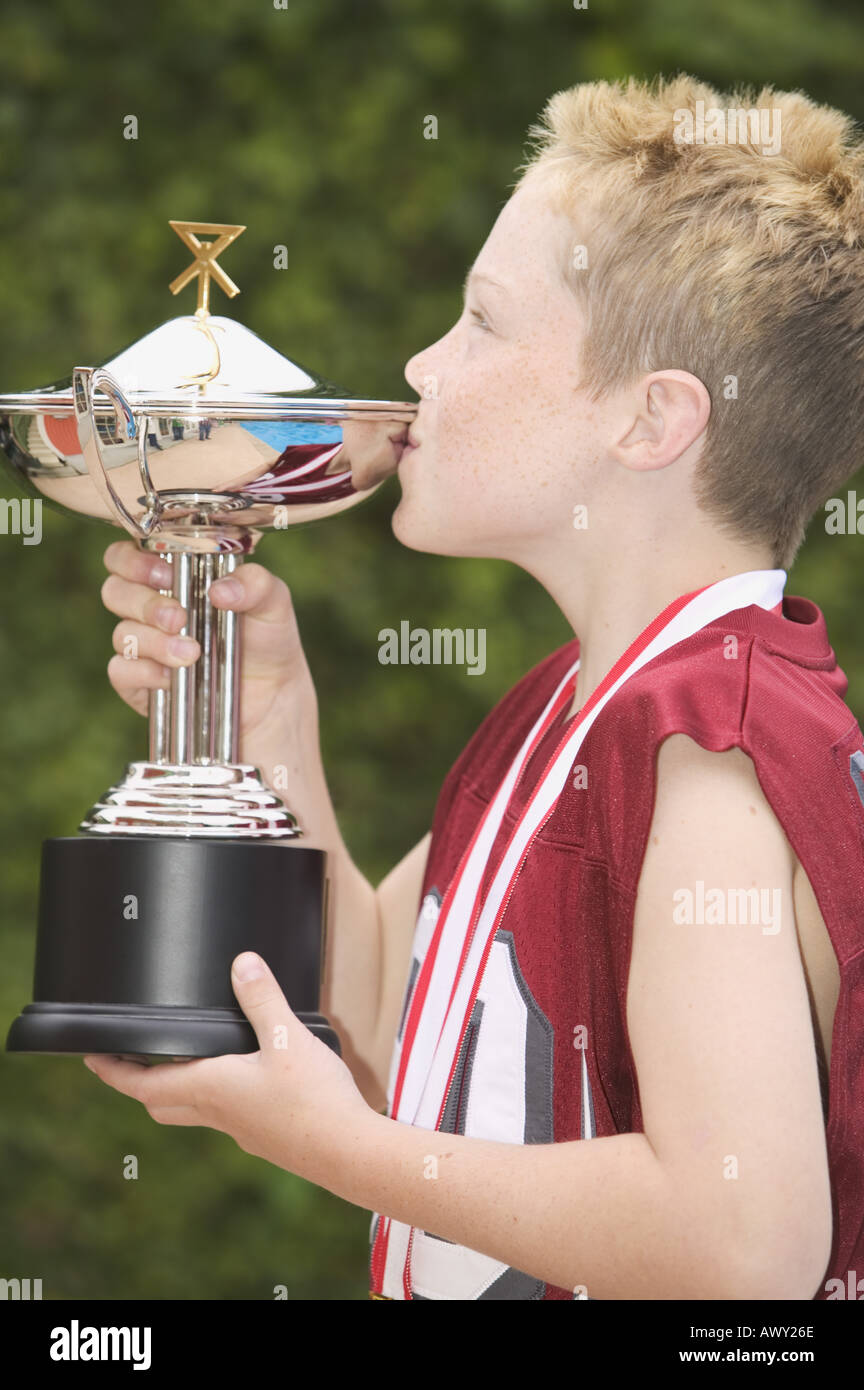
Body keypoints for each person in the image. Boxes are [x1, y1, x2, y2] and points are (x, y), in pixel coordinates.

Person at [89, 74, 864, 1302]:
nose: (421, 363)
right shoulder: (570, 708)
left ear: (651, 420)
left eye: (481, 321)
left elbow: (741, 1245)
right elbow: (399, 1026)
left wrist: (336, 1148)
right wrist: (275, 725)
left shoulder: (709, 748)